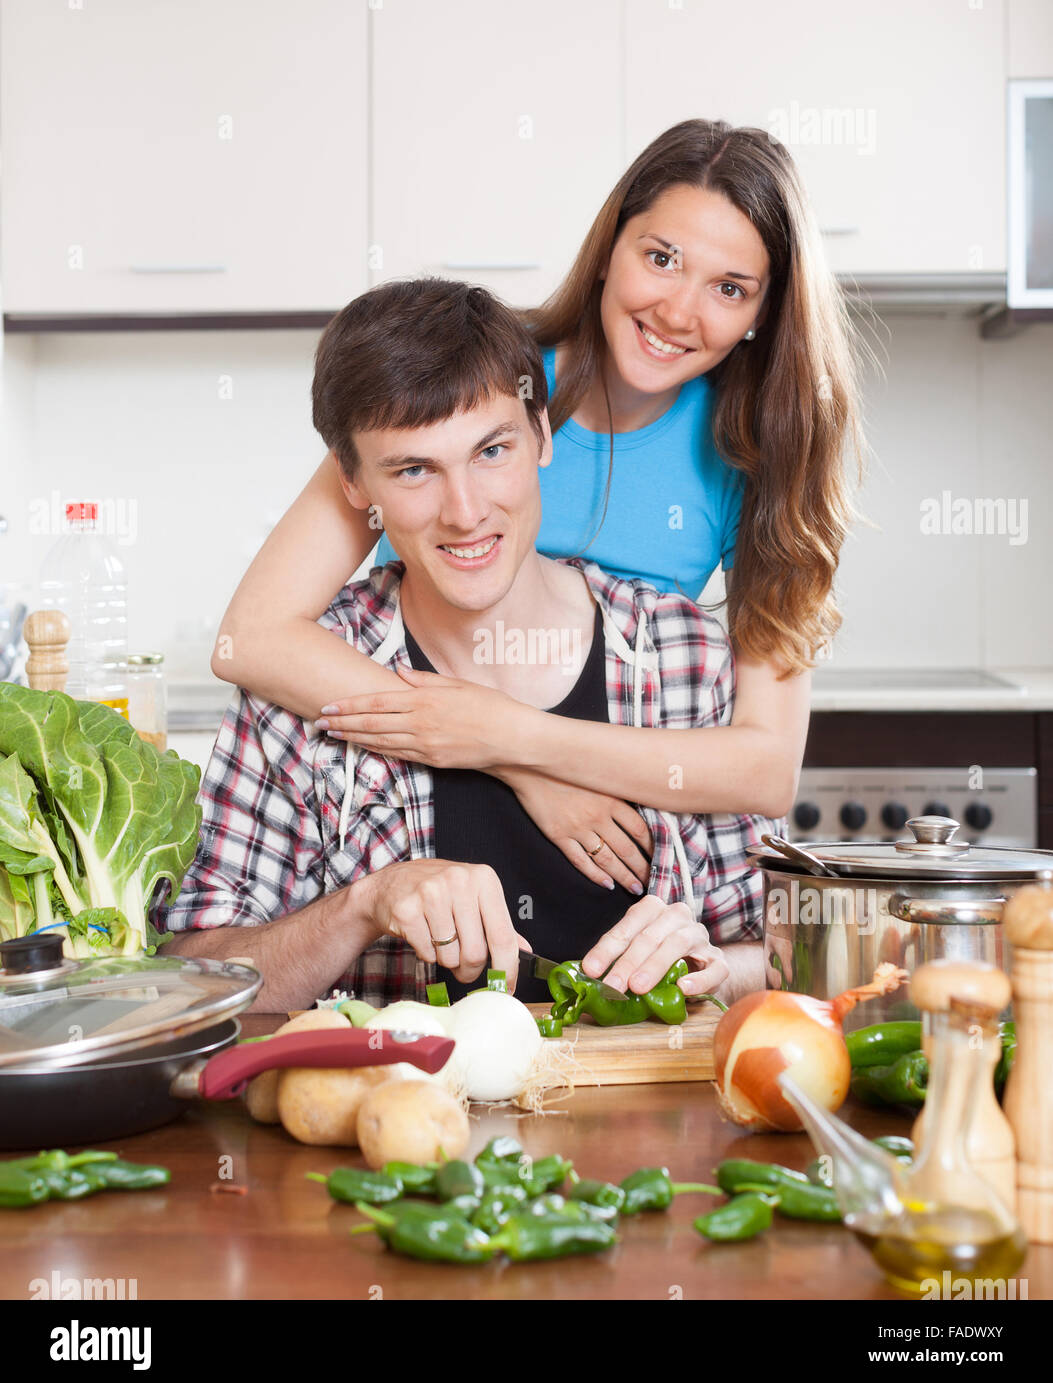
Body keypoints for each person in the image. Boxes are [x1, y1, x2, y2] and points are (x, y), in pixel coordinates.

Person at [211, 118, 863, 899]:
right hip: (415, 780)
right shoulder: (477, 382)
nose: (679, 312)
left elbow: (762, 769)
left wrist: (519, 741)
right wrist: (510, 761)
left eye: (729, 288)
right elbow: (249, 638)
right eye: (660, 259)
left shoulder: (760, 454)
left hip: (615, 815)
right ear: (607, 250)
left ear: (764, 310)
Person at [157, 279, 776, 1012]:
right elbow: (191, 985)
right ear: (354, 486)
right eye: (413, 469)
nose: (465, 511)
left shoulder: (686, 660)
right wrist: (363, 905)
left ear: (542, 435)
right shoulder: (299, 690)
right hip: (397, 1119)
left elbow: (778, 955)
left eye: (491, 450)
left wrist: (715, 966)